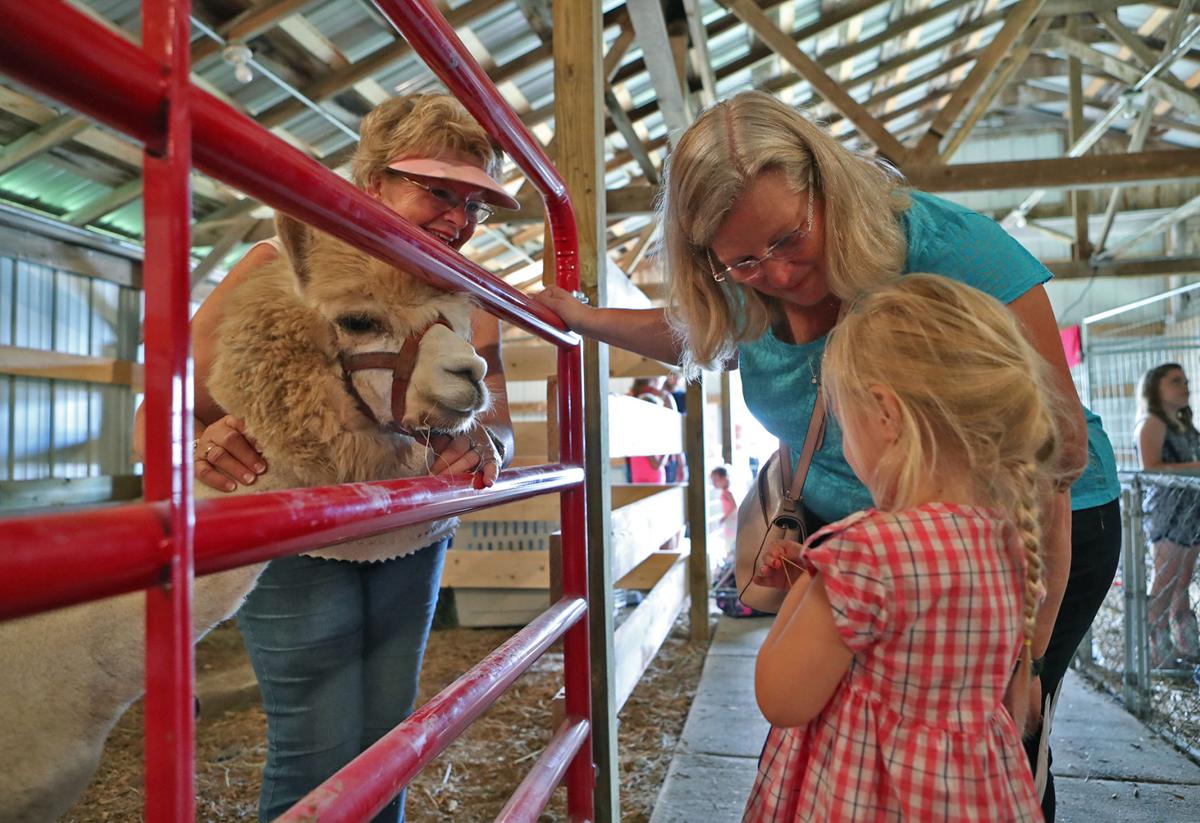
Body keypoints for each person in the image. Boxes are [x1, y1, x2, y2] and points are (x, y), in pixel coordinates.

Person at [532, 90, 1121, 821]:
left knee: (999, 727)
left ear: (825, 188)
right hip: (874, 545)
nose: (775, 274)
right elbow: (699, 326)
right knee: (898, 739)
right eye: (744, 260)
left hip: (1024, 532)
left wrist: (1030, 651)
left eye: (787, 240)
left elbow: (1054, 443)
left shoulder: (943, 248)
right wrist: (585, 320)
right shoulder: (740, 290)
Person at [134, 94, 516, 823]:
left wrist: (483, 446)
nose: (460, 220)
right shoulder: (281, 268)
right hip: (295, 534)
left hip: (412, 533)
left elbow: (500, 424)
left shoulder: (468, 296)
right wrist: (201, 442)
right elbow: (161, 414)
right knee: (316, 750)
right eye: (437, 191)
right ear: (374, 182)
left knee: (390, 740)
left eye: (476, 204)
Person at [746, 274, 1052, 820]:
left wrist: (813, 587)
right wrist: (820, 586)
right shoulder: (1005, 536)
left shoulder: (866, 551)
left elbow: (782, 697)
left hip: (866, 795)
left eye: (842, 417)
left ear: (886, 415)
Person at [1134, 363, 1200, 667]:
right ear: (1155, 389)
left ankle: (1186, 643)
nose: (1184, 386)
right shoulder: (1152, 423)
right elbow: (1151, 467)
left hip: (1190, 511)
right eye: (1175, 381)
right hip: (1169, 512)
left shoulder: (1183, 423)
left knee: (1183, 579)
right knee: (1166, 578)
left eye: (1185, 380)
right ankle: (1156, 649)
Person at [710, 465, 737, 554]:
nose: (714, 483)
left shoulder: (727, 493)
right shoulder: (726, 492)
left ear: (724, 479)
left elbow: (734, 506)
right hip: (730, 522)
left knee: (730, 543)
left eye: (716, 480)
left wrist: (725, 517)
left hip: (731, 522)